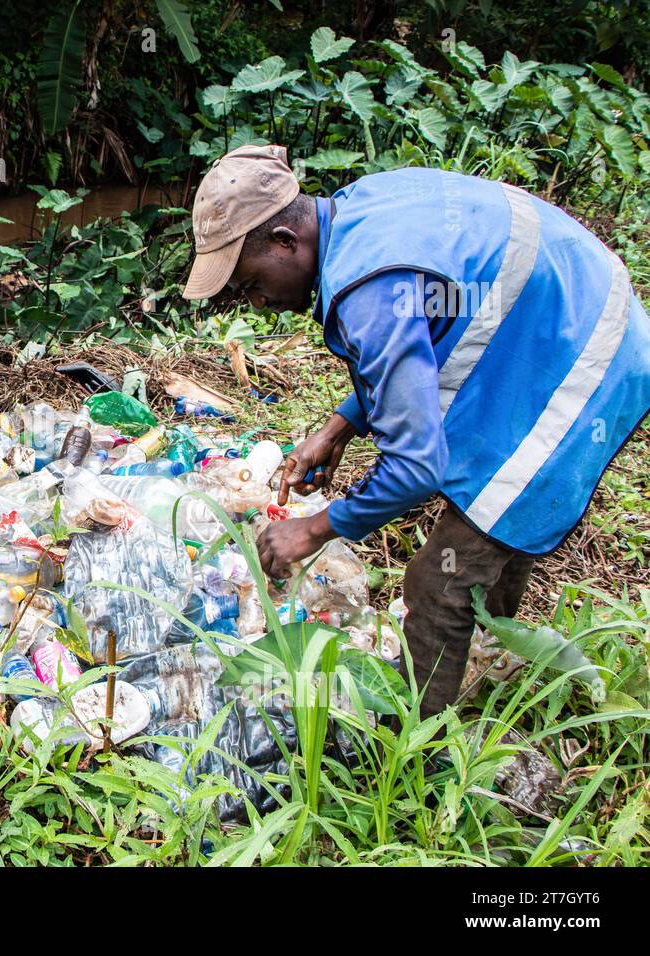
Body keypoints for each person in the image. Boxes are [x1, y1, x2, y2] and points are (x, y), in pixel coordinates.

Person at [182, 144, 650, 719]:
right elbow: (425, 341)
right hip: (561, 319)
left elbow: (416, 468)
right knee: (487, 530)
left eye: (250, 282)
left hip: (582, 361)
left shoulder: (369, 294)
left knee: (439, 581)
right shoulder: (354, 215)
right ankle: (488, 656)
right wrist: (341, 423)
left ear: (285, 240)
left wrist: (315, 529)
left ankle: (411, 747)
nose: (256, 304)